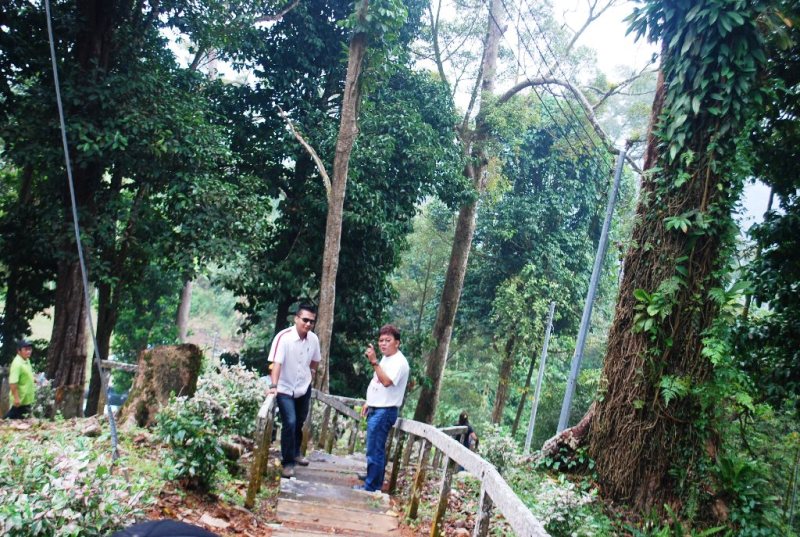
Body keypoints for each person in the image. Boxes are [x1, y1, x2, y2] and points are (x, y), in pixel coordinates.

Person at [267, 304, 321, 478]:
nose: (308, 324)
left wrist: (310, 375)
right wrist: (273, 386)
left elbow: (315, 361)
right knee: (289, 422)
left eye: (311, 321)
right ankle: (288, 462)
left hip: (303, 386)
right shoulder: (284, 338)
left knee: (299, 422)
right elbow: (276, 364)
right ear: (296, 318)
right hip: (284, 387)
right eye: (305, 320)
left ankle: (296, 452)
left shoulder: (313, 339)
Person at [354, 324, 409, 493]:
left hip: (385, 411)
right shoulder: (386, 358)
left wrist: (374, 362)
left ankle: (371, 487)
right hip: (376, 408)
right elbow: (376, 382)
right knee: (373, 447)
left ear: (397, 343)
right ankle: (373, 477)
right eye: (381, 340)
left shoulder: (400, 363)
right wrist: (369, 401)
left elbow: (386, 382)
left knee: (375, 449)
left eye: (388, 340)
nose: (383, 344)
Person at [5, 340, 35, 420]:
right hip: (20, 400)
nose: (28, 351)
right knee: (10, 418)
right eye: (26, 349)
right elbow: (13, 383)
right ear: (19, 351)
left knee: (22, 420)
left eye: (30, 349)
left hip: (26, 399)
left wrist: (34, 379)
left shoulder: (26, 360)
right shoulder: (17, 363)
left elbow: (27, 375)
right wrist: (16, 398)